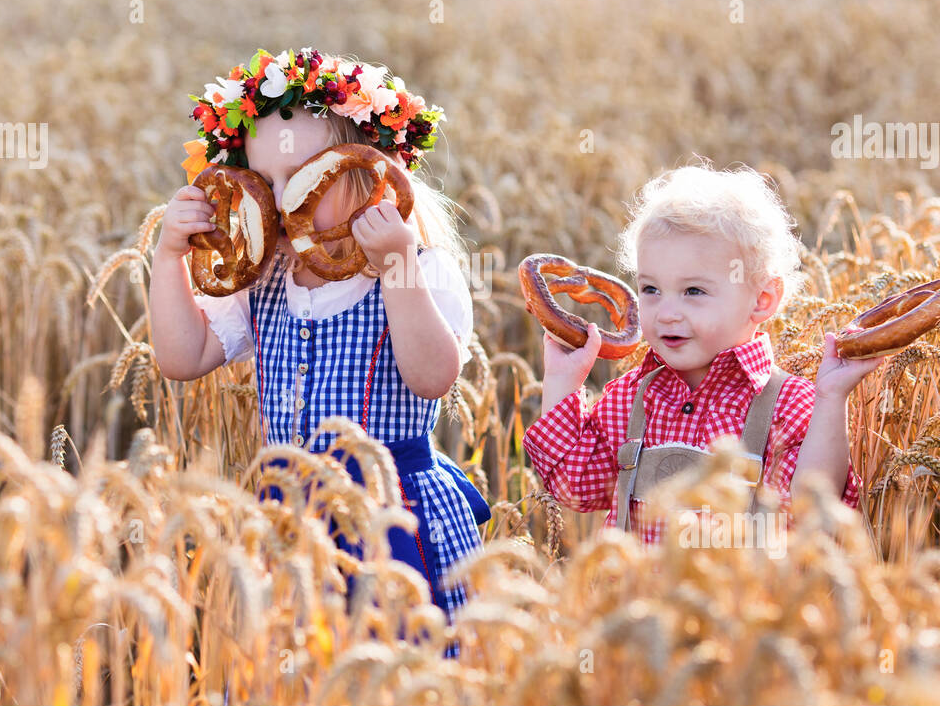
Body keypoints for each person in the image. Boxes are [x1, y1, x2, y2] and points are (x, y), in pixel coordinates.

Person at [151, 47, 488, 619]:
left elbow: (433, 378)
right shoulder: (262, 278)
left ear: (371, 175)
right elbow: (182, 358)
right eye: (263, 179)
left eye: (307, 178)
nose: (282, 201)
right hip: (286, 520)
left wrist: (396, 265)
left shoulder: (418, 267)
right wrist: (168, 257)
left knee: (395, 662)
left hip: (391, 516)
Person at [522, 162, 883, 543]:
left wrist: (832, 399)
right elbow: (571, 486)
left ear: (761, 300)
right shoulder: (629, 399)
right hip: (631, 600)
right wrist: (562, 379)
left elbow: (814, 513)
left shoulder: (790, 406)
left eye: (693, 291)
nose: (667, 312)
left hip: (739, 602)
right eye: (650, 289)